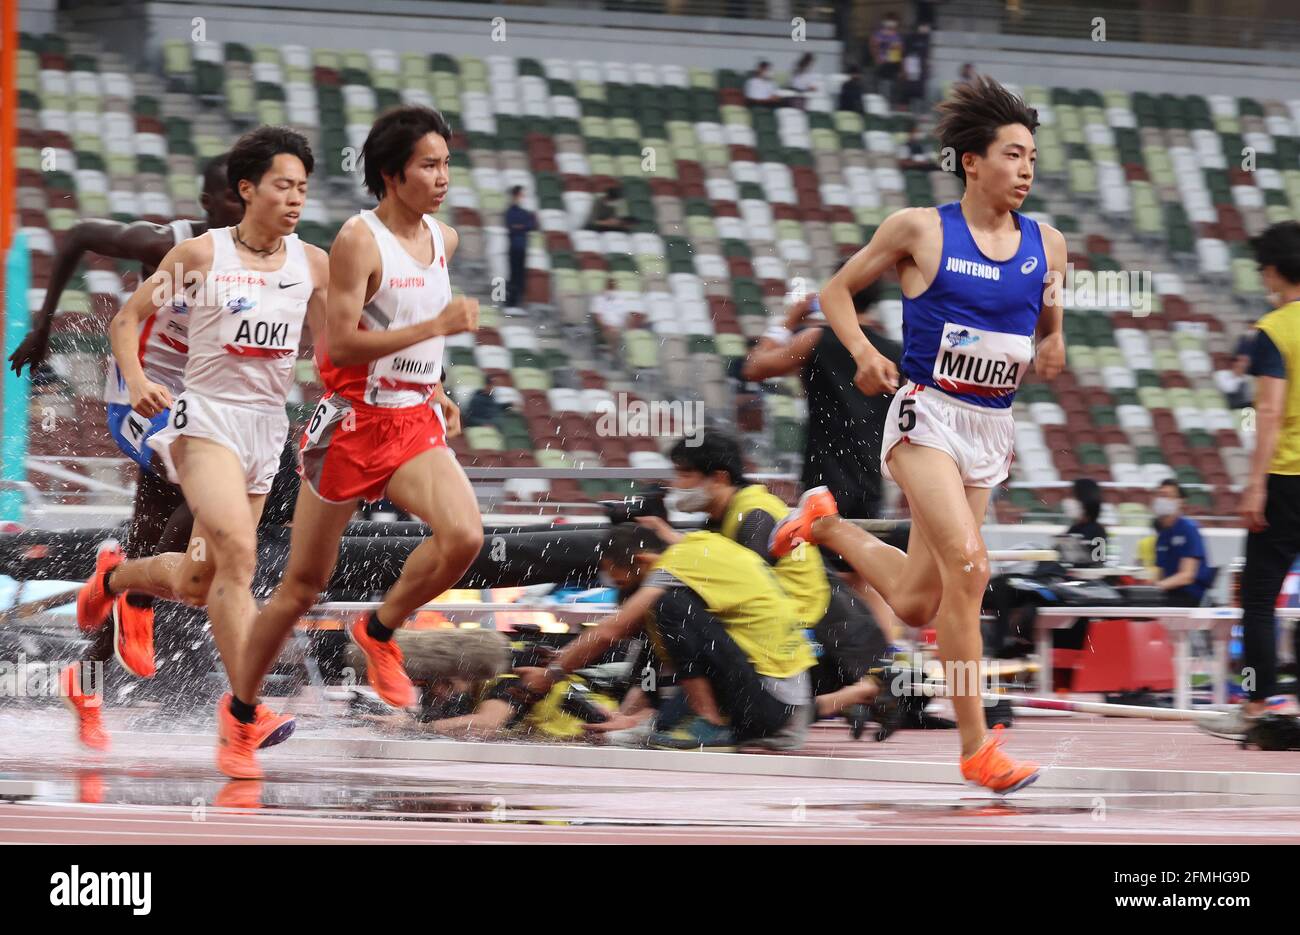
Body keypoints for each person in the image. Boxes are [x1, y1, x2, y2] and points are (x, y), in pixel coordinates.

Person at [765, 75, 1068, 794]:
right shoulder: (920, 230)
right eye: (1013, 155)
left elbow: (1052, 308)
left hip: (991, 426)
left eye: (1033, 158)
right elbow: (834, 291)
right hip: (925, 416)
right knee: (971, 568)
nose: (1026, 170)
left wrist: (1054, 342)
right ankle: (976, 747)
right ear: (972, 161)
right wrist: (868, 352)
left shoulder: (1048, 244)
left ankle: (826, 526)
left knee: (917, 601)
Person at [236, 105, 483, 778]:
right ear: (390, 174)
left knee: (464, 536)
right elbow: (340, 344)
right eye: (428, 165)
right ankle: (239, 712)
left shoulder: (445, 239)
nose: (442, 177)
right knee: (300, 587)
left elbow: (409, 331)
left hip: (409, 423)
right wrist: (436, 325)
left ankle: (378, 628)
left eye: (447, 164)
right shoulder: (358, 240)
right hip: (347, 425)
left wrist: (433, 386)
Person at [74, 126, 327, 777]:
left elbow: (346, 342)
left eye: (303, 186)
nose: (296, 197)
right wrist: (136, 379)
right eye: (282, 184)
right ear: (244, 190)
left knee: (196, 578)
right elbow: (125, 320)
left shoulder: (313, 263)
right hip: (186, 416)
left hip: (261, 434)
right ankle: (243, 717)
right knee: (238, 555)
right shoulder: (195, 253)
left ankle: (116, 580)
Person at [9, 157, 246, 748]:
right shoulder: (171, 244)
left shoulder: (265, 260)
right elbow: (79, 234)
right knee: (220, 476)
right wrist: (44, 325)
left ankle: (85, 679)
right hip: (139, 403)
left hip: (196, 411)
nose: (242, 211)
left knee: (150, 550)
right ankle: (130, 588)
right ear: (209, 202)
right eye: (231, 200)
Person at [639, 432, 892, 730]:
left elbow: (745, 590)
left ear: (718, 478)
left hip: (825, 646)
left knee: (679, 612)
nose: (676, 485)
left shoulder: (754, 515)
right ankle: (649, 706)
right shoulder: (723, 516)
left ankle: (857, 692)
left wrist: (668, 541)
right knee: (669, 607)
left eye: (684, 474)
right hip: (804, 639)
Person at [515, 523, 817, 751]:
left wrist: (551, 674)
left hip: (768, 703)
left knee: (666, 607)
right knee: (662, 615)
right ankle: (701, 722)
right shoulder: (703, 549)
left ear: (643, 560)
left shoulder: (671, 571)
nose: (621, 591)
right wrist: (634, 721)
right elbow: (668, 674)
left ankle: (709, 721)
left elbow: (610, 631)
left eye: (621, 581)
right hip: (780, 704)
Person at [1200, 222, 1300, 740]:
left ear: (1275, 269)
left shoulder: (1272, 331)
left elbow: (1270, 414)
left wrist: (1254, 484)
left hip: (1286, 478)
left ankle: (1257, 707)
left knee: (1260, 599)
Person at [743, 273, 901, 521]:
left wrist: (788, 321)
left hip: (821, 482)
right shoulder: (894, 353)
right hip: (871, 482)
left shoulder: (816, 339)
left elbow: (753, 367)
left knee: (819, 558)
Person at [1152, 479, 1217, 607]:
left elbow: (1187, 576)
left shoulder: (1188, 528)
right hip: (1169, 594)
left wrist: (1157, 587)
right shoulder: (1162, 534)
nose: (1162, 500)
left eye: (1167, 496)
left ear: (1180, 502)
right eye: (1160, 495)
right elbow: (1161, 573)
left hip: (1190, 596)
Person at [1062, 477, 1107, 567]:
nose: (1068, 500)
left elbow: (1097, 563)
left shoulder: (1096, 531)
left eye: (1072, 496)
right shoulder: (1075, 528)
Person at [503, 185, 535, 310]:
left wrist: (520, 227)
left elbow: (530, 225)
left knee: (521, 276)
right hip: (514, 247)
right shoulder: (510, 212)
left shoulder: (525, 213)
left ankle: (518, 302)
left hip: (522, 247)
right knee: (513, 275)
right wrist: (522, 226)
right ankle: (510, 302)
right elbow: (512, 226)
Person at [869, 13, 904, 108]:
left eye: (893, 21)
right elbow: (873, 46)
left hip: (893, 64)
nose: (891, 23)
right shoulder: (878, 34)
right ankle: (881, 105)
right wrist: (877, 58)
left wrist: (900, 68)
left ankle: (889, 105)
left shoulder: (897, 36)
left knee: (891, 87)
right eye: (889, 20)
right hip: (881, 64)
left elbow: (899, 51)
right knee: (881, 86)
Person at [1214, 331, 1255, 410]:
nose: (1243, 365)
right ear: (1235, 362)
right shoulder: (1221, 374)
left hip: (1246, 407)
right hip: (1229, 405)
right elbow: (1228, 389)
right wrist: (1238, 378)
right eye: (1241, 361)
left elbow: (1250, 397)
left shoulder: (1248, 378)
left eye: (1246, 362)